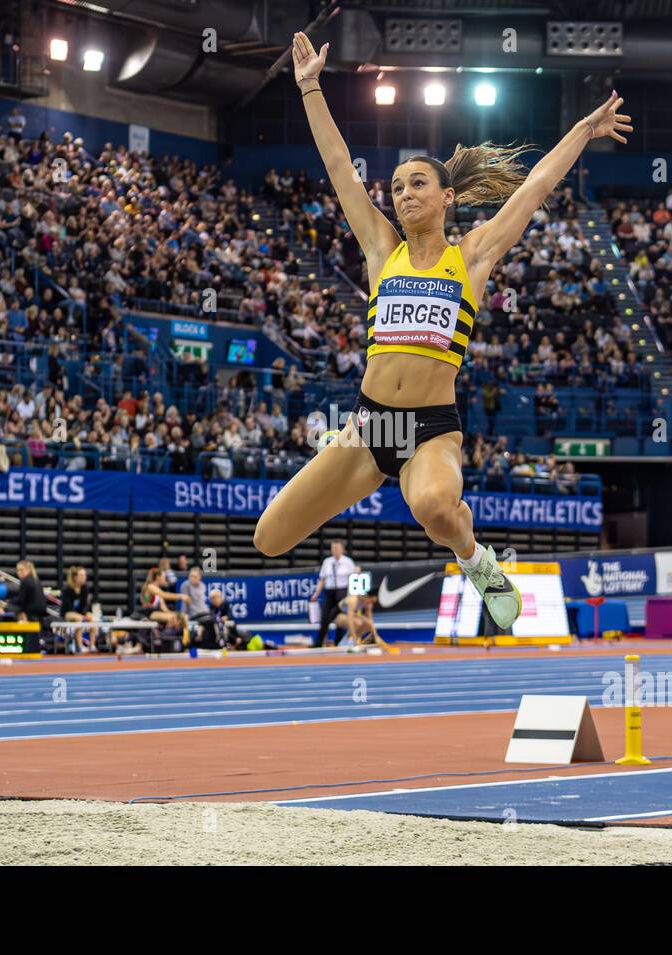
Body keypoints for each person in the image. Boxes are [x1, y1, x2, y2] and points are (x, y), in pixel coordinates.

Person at [254, 31, 632, 635]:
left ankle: (476, 561)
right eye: (398, 186)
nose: (404, 193)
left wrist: (584, 131)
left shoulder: (472, 257)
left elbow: (534, 186)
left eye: (417, 184)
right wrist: (309, 86)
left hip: (431, 429)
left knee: (432, 505)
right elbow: (335, 166)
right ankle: (466, 549)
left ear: (447, 196)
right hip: (369, 425)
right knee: (268, 538)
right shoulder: (382, 249)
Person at [311, 539, 355, 647]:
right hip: (329, 591)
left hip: (342, 592)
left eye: (337, 548)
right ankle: (319, 642)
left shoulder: (348, 562)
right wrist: (316, 594)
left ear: (342, 549)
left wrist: (352, 595)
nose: (334, 550)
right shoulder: (327, 562)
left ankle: (338, 640)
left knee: (337, 616)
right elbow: (323, 579)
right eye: (333, 548)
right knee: (325, 617)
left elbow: (354, 577)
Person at [141, 566, 189, 647]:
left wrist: (175, 614)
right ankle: (163, 639)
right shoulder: (150, 587)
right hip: (148, 613)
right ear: (158, 577)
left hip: (156, 612)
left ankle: (184, 642)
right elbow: (164, 595)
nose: (165, 579)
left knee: (183, 616)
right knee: (174, 618)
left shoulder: (157, 589)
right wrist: (180, 596)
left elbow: (164, 609)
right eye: (164, 577)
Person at [59, 565, 95, 653]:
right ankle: (79, 646)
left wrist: (86, 613)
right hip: (67, 613)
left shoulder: (85, 588)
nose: (84, 578)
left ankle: (92, 645)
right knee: (79, 619)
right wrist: (81, 615)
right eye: (81, 575)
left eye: (85, 575)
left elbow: (85, 605)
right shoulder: (67, 589)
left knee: (91, 618)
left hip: (79, 613)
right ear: (75, 577)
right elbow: (67, 607)